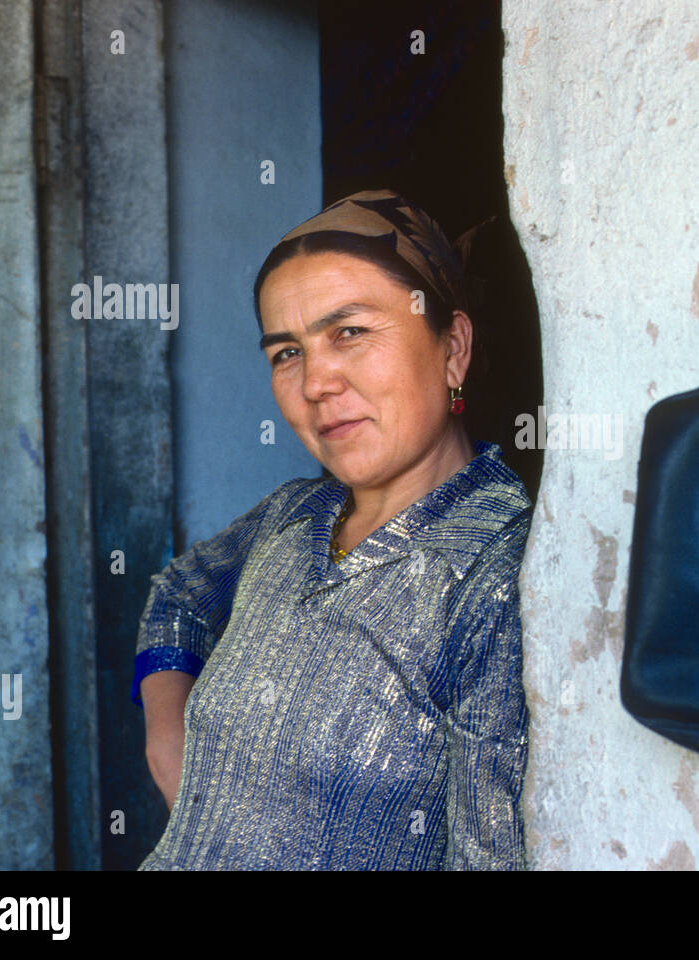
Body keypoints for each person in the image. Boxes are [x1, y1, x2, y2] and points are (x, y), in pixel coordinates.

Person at [131, 189, 532, 869]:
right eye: (287, 352)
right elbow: (180, 593)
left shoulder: (493, 573)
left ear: (453, 348)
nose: (317, 381)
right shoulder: (295, 515)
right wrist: (167, 732)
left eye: (349, 332)